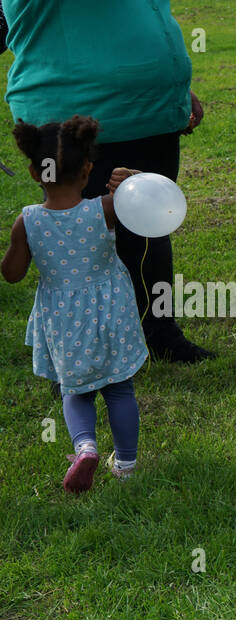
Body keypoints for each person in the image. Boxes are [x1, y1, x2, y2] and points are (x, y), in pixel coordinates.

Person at [1, 0, 213, 363]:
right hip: (77, 115)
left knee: (149, 231)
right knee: (82, 239)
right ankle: (81, 351)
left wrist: (172, 87)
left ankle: (158, 332)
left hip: (150, 112)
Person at [2, 117, 148, 492]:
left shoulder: (28, 221)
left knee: (75, 390)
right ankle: (127, 463)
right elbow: (148, 203)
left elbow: (12, 274)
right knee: (119, 389)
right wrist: (131, 178)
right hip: (111, 311)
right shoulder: (106, 208)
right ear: (88, 168)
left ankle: (85, 448)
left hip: (63, 319)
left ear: (35, 172)